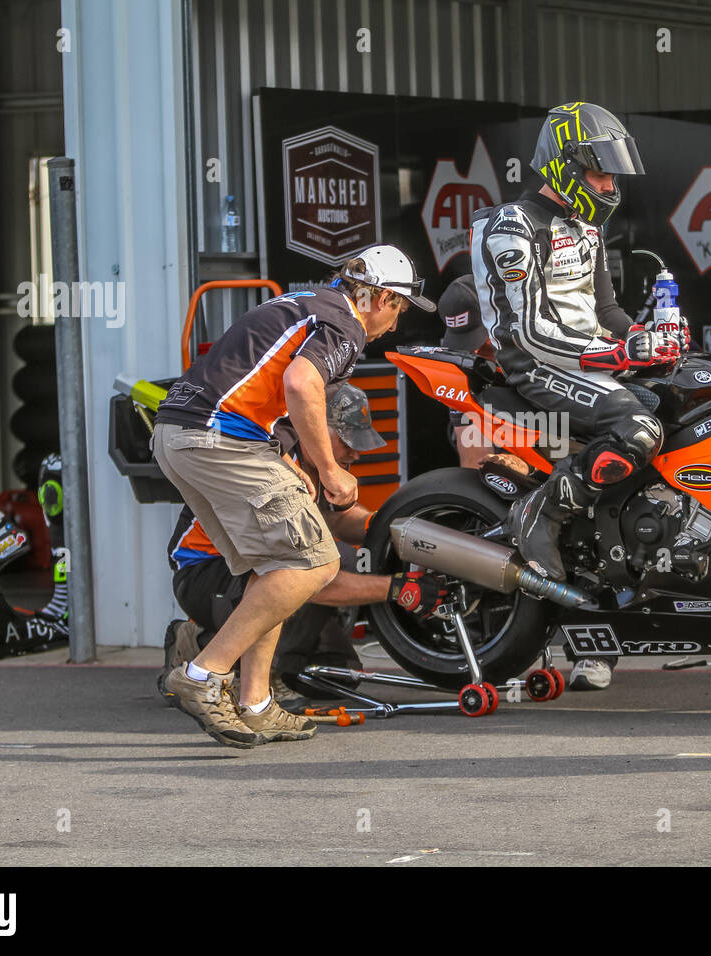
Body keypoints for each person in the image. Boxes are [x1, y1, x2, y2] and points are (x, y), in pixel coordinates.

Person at [153, 244, 436, 747]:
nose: (394, 324)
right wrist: (327, 468)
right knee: (315, 564)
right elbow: (302, 383)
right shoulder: (343, 323)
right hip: (217, 436)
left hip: (181, 432)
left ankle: (257, 703)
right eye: (399, 308)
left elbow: (253, 379)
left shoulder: (302, 300)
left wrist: (283, 458)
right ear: (377, 297)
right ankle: (201, 675)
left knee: (276, 567)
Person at [471, 101, 679, 691]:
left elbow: (604, 311)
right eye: (600, 172)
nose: (610, 186)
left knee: (694, 405)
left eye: (612, 174)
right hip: (535, 368)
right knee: (639, 430)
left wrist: (645, 338)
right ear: (564, 165)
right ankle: (541, 510)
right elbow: (532, 330)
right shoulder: (510, 226)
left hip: (589, 363)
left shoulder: (586, 227)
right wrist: (616, 355)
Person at [159, 385, 448, 703]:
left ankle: (278, 664)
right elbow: (303, 572)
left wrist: (387, 527)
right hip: (206, 572)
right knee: (318, 567)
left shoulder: (325, 464)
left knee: (333, 674)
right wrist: (397, 588)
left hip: (259, 568)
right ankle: (201, 645)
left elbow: (339, 519)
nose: (356, 453)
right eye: (347, 441)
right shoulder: (273, 460)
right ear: (310, 425)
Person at [437, 274, 494, 469]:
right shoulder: (463, 371)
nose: (475, 351)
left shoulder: (540, 350)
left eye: (478, 338)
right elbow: (475, 464)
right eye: (466, 343)